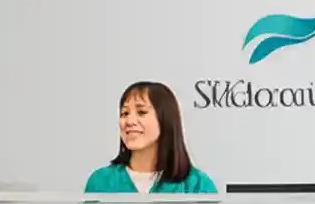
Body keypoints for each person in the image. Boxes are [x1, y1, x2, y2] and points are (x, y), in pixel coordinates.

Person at [84, 81, 217, 194]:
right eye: (124, 113)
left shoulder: (197, 185)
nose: (129, 121)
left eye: (141, 112)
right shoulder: (100, 182)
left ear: (165, 119)